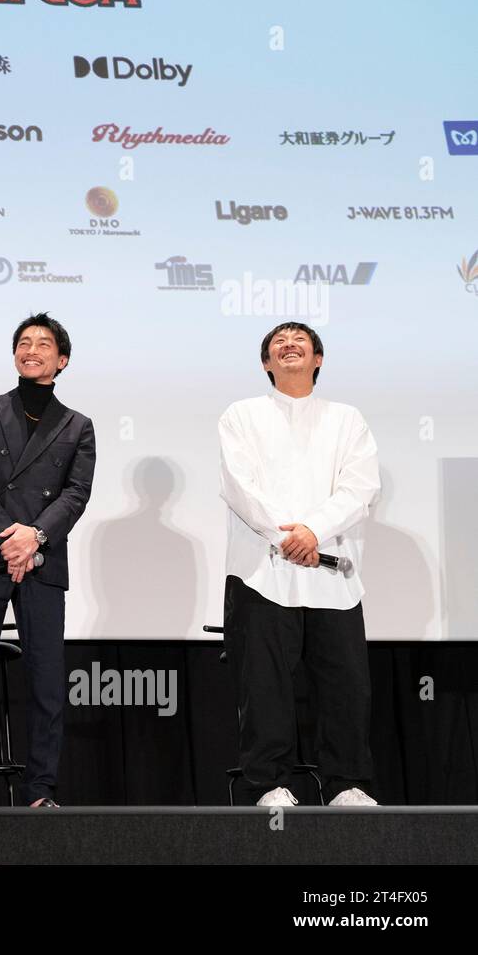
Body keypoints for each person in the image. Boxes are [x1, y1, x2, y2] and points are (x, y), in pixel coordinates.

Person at [218, 321, 380, 806]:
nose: (288, 346)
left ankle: (347, 783)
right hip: (261, 573)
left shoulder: (347, 419)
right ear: (266, 363)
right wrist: (288, 537)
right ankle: (268, 784)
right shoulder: (240, 415)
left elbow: (360, 487)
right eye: (277, 344)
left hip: (333, 574)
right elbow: (239, 486)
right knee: (264, 688)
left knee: (346, 686)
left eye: (299, 342)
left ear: (319, 360)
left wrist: (313, 531)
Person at [0, 313, 96, 808]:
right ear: (15, 355)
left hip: (43, 559)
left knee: (48, 680)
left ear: (62, 359)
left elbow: (76, 494)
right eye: (24, 343)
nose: (31, 349)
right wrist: (10, 537)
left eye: (43, 343)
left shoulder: (79, 426)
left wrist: (35, 537)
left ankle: (39, 790)